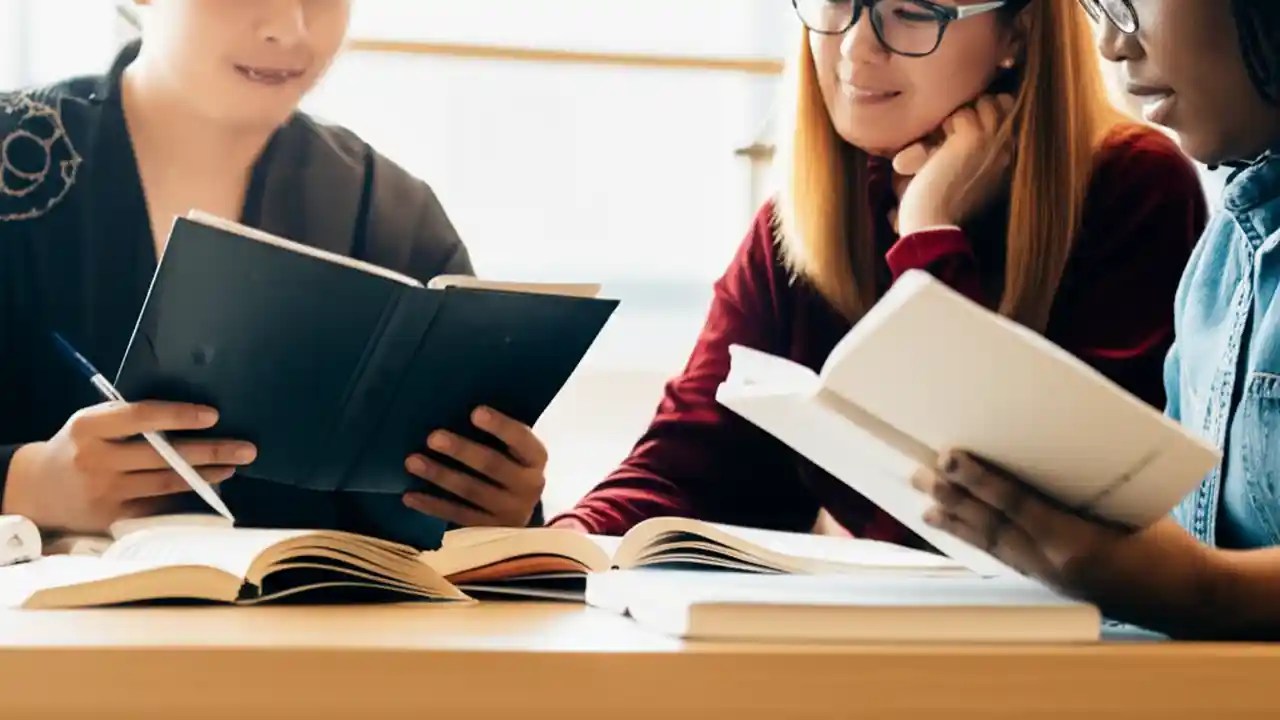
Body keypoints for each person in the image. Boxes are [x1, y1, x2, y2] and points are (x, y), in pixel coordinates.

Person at [551, 0, 1207, 544]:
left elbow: (980, 511)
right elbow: (685, 466)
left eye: (912, 12)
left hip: (1049, 645)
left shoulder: (1132, 188)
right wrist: (552, 544)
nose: (856, 48)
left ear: (1018, 31)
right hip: (882, 637)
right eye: (837, 2)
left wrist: (929, 233)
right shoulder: (805, 221)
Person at [0, 0, 547, 546]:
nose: (290, 29)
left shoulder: (394, 213)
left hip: (326, 604)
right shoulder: (16, 152)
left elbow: (469, 532)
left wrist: (503, 510)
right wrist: (26, 483)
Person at [912, 0, 1280, 640]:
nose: (1111, 44)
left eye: (1132, 2)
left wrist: (1200, 588)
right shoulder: (1221, 256)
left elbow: (1188, 581)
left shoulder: (1134, 182)